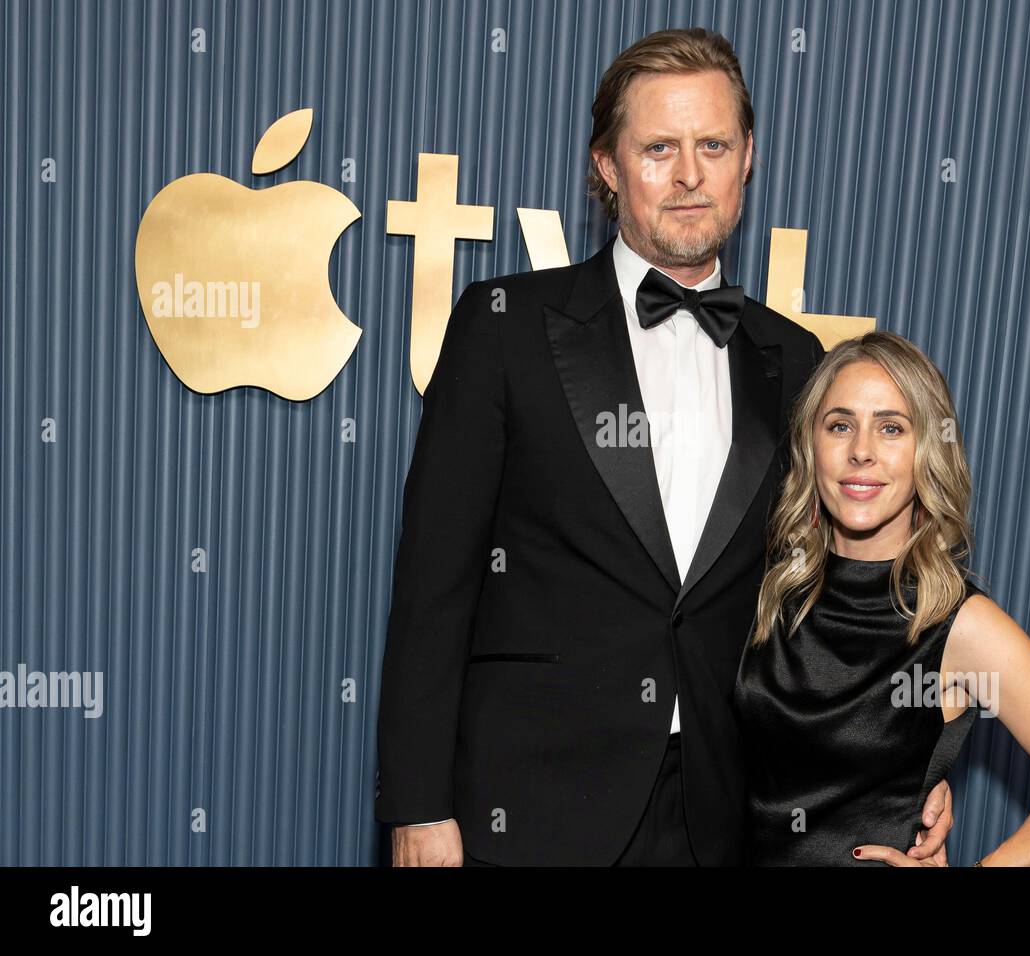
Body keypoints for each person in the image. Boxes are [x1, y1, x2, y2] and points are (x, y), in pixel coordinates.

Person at [375, 28, 957, 866]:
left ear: (747, 158)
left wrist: (910, 765)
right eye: (658, 149)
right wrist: (419, 807)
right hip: (523, 807)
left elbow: (842, 604)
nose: (690, 175)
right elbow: (434, 585)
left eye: (713, 145)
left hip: (723, 812)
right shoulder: (505, 327)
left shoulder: (798, 363)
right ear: (607, 168)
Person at [733, 331, 1030, 865]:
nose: (861, 451)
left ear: (928, 450)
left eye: (892, 428)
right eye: (840, 425)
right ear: (811, 446)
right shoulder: (770, 589)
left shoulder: (958, 625)